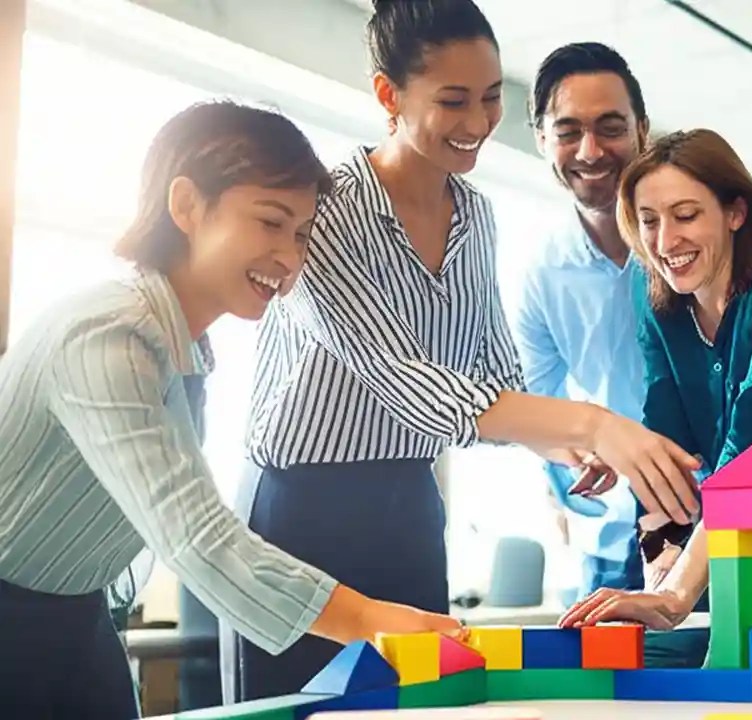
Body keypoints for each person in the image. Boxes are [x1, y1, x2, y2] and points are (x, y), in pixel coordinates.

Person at [229, 0, 701, 701]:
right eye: (453, 101)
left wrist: (568, 448)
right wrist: (594, 424)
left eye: (488, 98)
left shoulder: (476, 214)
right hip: (300, 512)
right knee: (305, 712)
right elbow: (407, 383)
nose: (479, 123)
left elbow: (496, 375)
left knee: (419, 709)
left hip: (411, 507)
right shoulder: (323, 211)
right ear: (388, 94)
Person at [0, 101, 466, 720]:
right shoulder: (107, 335)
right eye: (271, 222)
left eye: (301, 234)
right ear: (187, 205)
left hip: (77, 616)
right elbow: (195, 536)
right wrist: (371, 619)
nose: (290, 256)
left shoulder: (184, 348)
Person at [559, 128, 752, 659]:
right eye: (649, 221)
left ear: (735, 213)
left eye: (686, 215)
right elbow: (666, 438)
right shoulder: (652, 292)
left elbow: (750, 449)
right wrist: (661, 570)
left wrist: (677, 594)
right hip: (721, 552)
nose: (664, 241)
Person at [511, 42, 652, 599]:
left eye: (610, 127)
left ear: (642, 129)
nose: (590, 150)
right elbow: (533, 412)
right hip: (610, 542)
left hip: (722, 531)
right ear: (542, 140)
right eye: (568, 131)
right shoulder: (540, 273)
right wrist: (581, 458)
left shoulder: (694, 242)